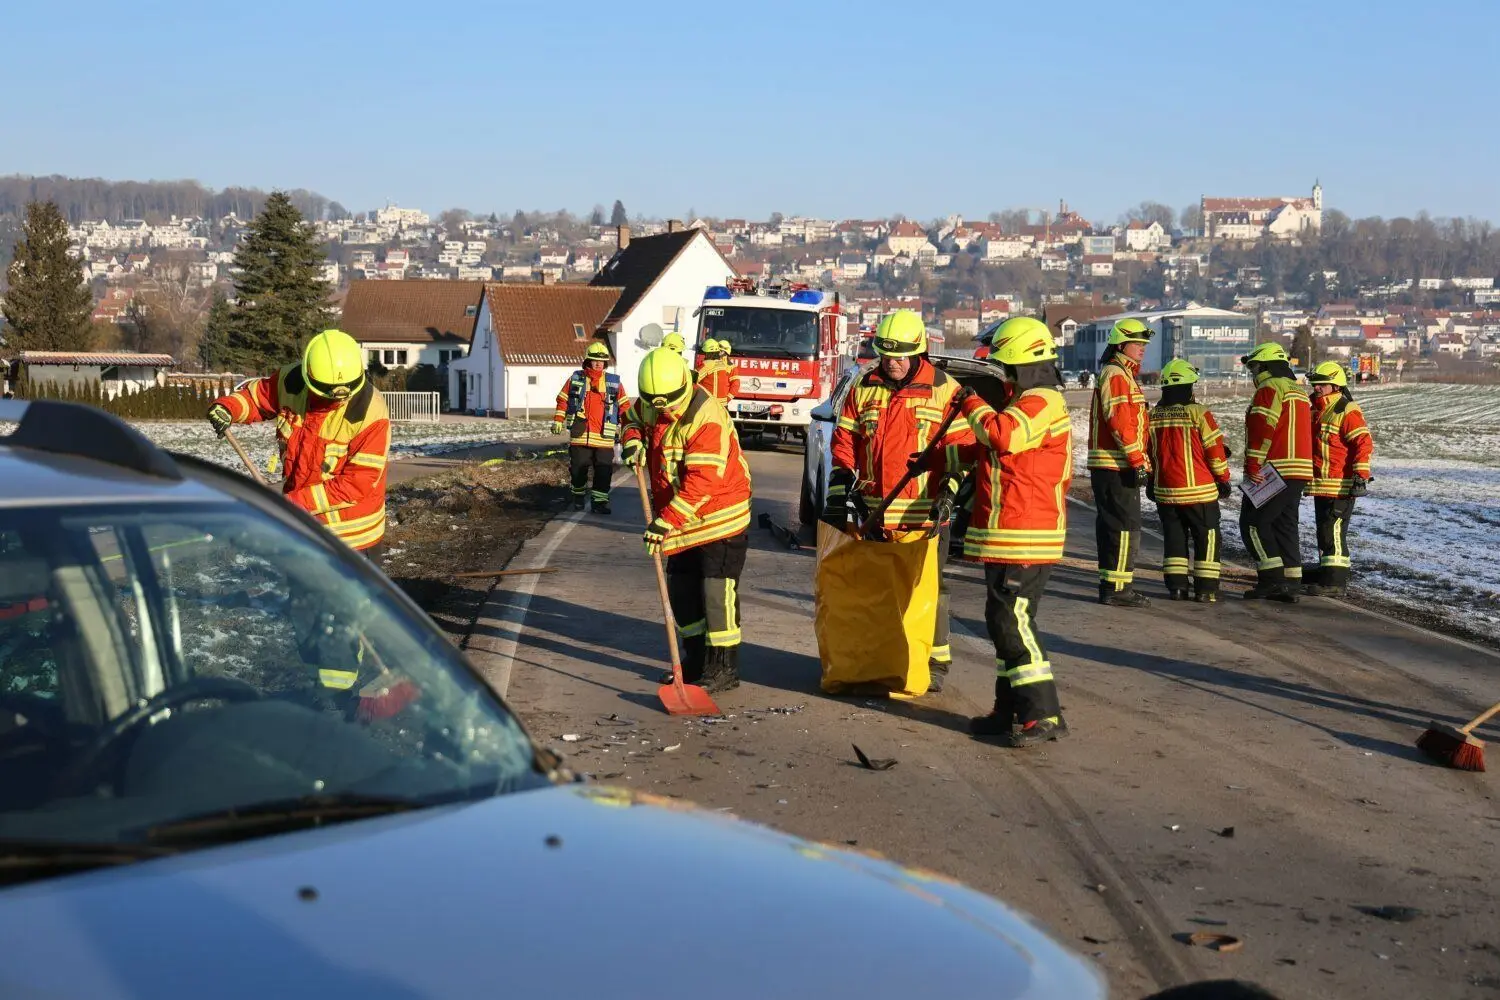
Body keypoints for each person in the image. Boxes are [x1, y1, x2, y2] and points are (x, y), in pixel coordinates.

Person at [824, 309, 975, 692]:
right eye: (886, 355)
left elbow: (962, 451)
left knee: (929, 589)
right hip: (876, 511)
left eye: (900, 356)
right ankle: (882, 659)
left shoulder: (946, 391)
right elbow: (845, 441)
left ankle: (933, 662)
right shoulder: (864, 386)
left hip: (923, 513)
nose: (892, 363)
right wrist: (839, 488)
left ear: (919, 351)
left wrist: (948, 493)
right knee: (880, 591)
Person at [955, 317, 1072, 747]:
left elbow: (1002, 437)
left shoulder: (1042, 402)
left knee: (1014, 621)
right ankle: (1010, 711)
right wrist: (943, 458)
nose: (1002, 375)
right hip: (1009, 532)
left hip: (1027, 532)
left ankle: (1043, 715)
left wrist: (970, 403)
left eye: (1004, 367)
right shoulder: (1025, 401)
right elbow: (994, 449)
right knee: (1002, 621)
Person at [621, 348, 753, 694]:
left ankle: (724, 668)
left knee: (715, 592)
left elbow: (702, 482)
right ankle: (694, 663)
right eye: (656, 404)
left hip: (720, 518)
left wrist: (665, 522)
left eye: (670, 403)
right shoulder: (653, 401)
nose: (663, 411)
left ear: (685, 384)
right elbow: (632, 419)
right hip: (680, 521)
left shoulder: (706, 417)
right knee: (682, 593)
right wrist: (632, 441)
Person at [208, 329, 391, 555]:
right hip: (301, 528)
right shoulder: (290, 382)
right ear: (309, 378)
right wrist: (230, 408)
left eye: (344, 395)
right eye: (328, 394)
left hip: (352, 539)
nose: (339, 400)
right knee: (301, 590)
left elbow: (356, 483)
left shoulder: (370, 414)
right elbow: (258, 398)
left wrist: (294, 503)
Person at [1146, 360, 1232, 603]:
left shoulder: (1152, 416)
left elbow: (1149, 452)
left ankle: (1177, 588)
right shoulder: (1198, 413)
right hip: (1200, 492)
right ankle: (1206, 590)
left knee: (1174, 540)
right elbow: (1214, 450)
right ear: (1187, 387)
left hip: (1165, 492)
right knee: (1207, 538)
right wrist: (1223, 479)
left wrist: (1151, 482)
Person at [1239, 342, 1313, 603]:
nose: (1253, 374)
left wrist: (1253, 465)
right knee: (1285, 525)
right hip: (1300, 469)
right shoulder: (1299, 390)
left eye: (1255, 367)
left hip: (1275, 468)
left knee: (1253, 524)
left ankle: (1271, 581)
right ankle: (1291, 582)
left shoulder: (1270, 388)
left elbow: (1262, 428)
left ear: (1266, 366)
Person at [1088, 318, 1154, 607]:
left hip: (1115, 462)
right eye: (1137, 344)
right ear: (1120, 344)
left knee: (1114, 525)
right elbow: (1119, 422)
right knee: (1125, 526)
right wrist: (1137, 459)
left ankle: (1113, 584)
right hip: (1117, 463)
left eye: (1144, 344)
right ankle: (1118, 587)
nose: (1142, 349)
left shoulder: (1122, 374)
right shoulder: (1116, 374)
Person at [1305, 361, 1374, 597]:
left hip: (1340, 485)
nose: (1316, 389)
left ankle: (1335, 582)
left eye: (1321, 385)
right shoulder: (1316, 410)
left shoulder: (1346, 411)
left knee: (1333, 531)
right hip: (1321, 484)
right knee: (1324, 531)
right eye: (1314, 384)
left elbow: (1363, 443)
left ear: (1335, 386)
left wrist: (1360, 476)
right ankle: (1326, 573)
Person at [552, 341, 627, 515]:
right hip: (580, 435)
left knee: (603, 471)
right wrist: (558, 419)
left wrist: (629, 427)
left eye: (601, 361)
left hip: (604, 437)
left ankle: (599, 503)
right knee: (578, 469)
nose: (598, 364)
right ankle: (578, 497)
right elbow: (563, 399)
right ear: (587, 361)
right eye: (594, 360)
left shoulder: (613, 383)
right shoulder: (576, 379)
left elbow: (624, 406)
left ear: (606, 363)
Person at [695, 338, 741, 405]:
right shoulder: (721, 364)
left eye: (721, 351)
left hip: (711, 403)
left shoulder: (709, 364)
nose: (719, 352)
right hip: (720, 403)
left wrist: (728, 398)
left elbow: (693, 378)